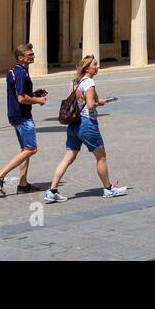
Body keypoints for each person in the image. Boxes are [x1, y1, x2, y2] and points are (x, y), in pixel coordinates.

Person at [45, 55, 126, 203]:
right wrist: (99, 102)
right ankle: (108, 189)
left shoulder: (74, 83)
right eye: (94, 65)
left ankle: (52, 190)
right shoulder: (89, 82)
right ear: (87, 68)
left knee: (68, 158)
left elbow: (77, 101)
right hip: (87, 123)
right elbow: (89, 105)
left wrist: (97, 101)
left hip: (74, 124)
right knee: (101, 157)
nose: (97, 67)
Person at [0, 44, 46, 197]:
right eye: (30, 55)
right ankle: (0, 175)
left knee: (25, 150)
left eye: (33, 54)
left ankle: (23, 184)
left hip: (15, 115)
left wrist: (34, 94)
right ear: (21, 58)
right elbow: (22, 98)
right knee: (31, 149)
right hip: (22, 116)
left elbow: (20, 93)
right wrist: (38, 100)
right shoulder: (21, 73)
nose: (33, 57)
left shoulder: (14, 71)